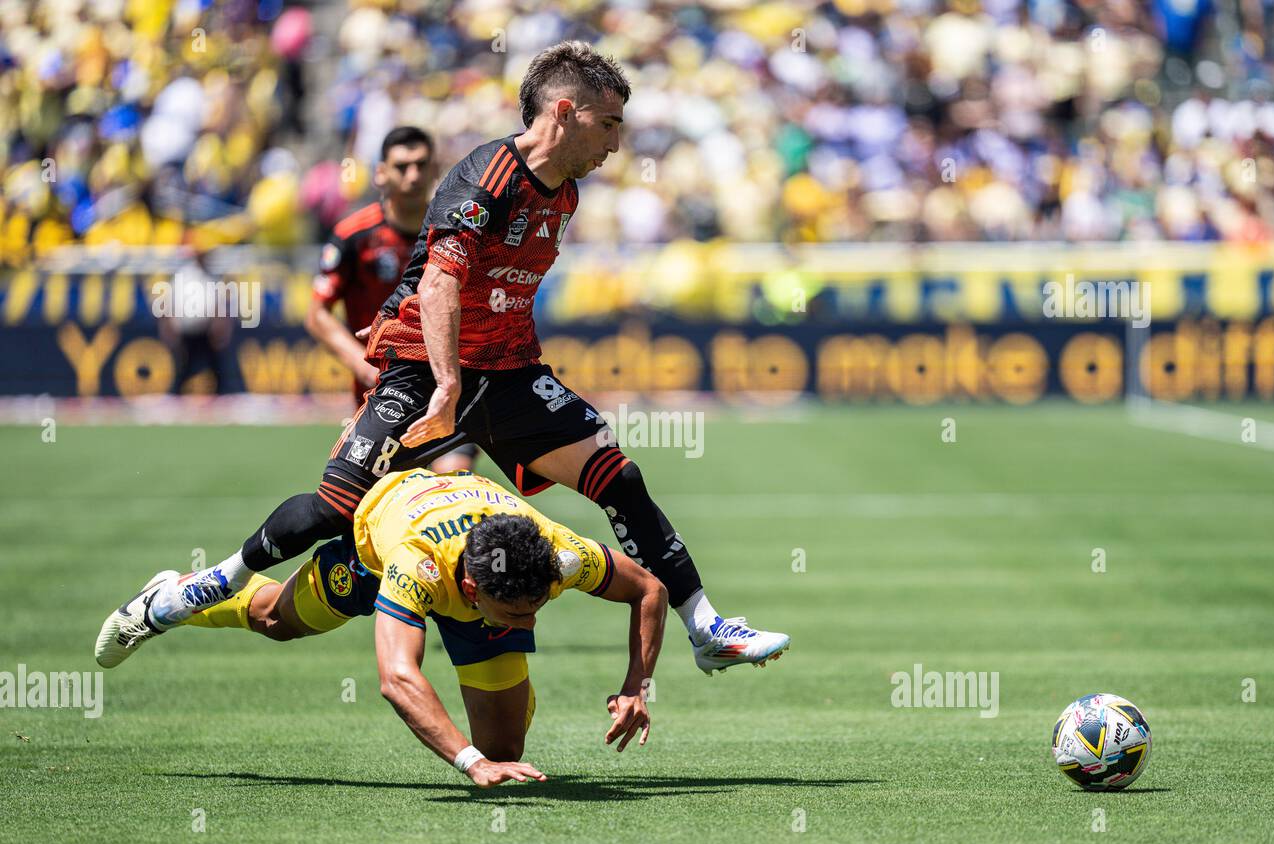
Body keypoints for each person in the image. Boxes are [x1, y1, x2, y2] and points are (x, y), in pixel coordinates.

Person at [99, 40, 789, 677]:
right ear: (565, 111)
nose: (619, 141)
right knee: (332, 510)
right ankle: (199, 587)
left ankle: (704, 627)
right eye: (609, 124)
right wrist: (447, 384)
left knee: (620, 479)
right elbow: (438, 281)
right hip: (425, 371)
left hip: (511, 374)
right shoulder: (485, 176)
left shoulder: (568, 191)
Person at [97, 470, 668, 787]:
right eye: (521, 615)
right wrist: (469, 765)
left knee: (504, 749)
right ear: (472, 590)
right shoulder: (411, 566)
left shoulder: (556, 554)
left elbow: (650, 589)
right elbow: (397, 677)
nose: (535, 620)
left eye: (537, 606)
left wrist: (636, 687)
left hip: (472, 542)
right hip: (379, 541)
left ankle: (499, 689)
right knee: (275, 620)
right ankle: (170, 594)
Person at [307, 125, 479, 471]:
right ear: (381, 173)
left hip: (446, 386)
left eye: (422, 164)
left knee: (454, 481)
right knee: (375, 505)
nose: (413, 175)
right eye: (402, 166)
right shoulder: (353, 235)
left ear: (435, 169)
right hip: (380, 394)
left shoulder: (458, 229)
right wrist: (363, 366)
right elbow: (317, 314)